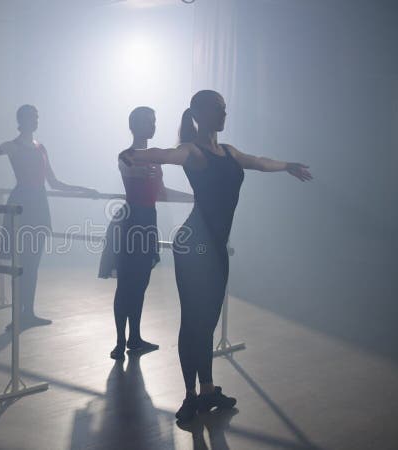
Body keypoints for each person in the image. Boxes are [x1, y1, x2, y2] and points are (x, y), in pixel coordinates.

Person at [120, 90, 312, 422]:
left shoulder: (228, 152)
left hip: (215, 248)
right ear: (201, 113)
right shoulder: (192, 151)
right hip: (194, 245)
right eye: (219, 109)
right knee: (193, 321)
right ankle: (190, 396)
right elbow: (165, 154)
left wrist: (287, 166)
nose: (225, 113)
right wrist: (136, 155)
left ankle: (207, 390)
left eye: (225, 109)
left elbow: (258, 161)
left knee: (206, 323)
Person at [0, 104, 98, 329]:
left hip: (38, 205)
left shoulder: (41, 148)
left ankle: (29, 313)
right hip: (22, 204)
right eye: (32, 116)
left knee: (33, 263)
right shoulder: (14, 145)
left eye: (37, 116)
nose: (36, 120)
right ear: (22, 120)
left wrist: (84, 190)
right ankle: (18, 315)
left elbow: (54, 182)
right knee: (20, 264)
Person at [101, 106, 193, 361]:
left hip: (147, 220)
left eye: (154, 121)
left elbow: (162, 193)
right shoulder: (127, 155)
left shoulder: (154, 159)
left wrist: (196, 197)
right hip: (130, 221)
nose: (152, 126)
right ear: (134, 126)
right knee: (125, 285)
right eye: (147, 121)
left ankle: (135, 338)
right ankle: (120, 341)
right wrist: (145, 168)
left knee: (140, 284)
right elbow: (130, 168)